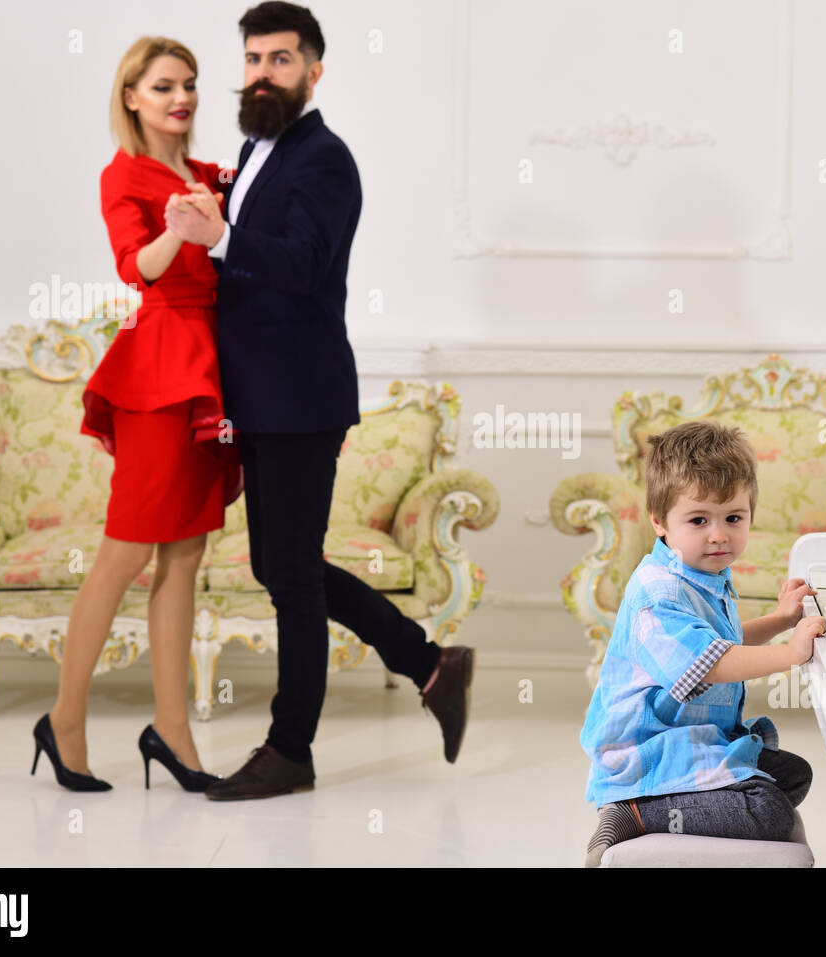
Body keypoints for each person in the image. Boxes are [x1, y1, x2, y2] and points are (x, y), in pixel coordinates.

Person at [164, 2, 473, 801]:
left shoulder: (325, 159)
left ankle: (289, 748)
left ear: (314, 71)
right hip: (262, 396)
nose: (264, 73)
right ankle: (430, 661)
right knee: (280, 563)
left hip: (301, 395)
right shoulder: (256, 147)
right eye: (255, 59)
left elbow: (302, 263)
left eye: (282, 59)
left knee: (292, 575)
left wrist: (220, 239)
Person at [31, 36, 240, 793]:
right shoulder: (124, 175)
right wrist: (174, 234)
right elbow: (137, 267)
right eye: (162, 87)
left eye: (187, 84)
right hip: (161, 367)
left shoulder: (211, 173)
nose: (180, 98)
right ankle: (65, 719)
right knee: (124, 553)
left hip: (212, 359)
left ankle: (173, 730)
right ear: (131, 97)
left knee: (185, 554)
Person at [579, 419, 825, 866]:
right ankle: (632, 812)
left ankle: (687, 806)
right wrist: (791, 654)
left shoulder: (704, 574)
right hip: (648, 751)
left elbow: (722, 641)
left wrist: (780, 620)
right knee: (769, 812)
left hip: (691, 736)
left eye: (733, 518)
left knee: (793, 775)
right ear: (660, 522)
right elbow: (709, 663)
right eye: (699, 520)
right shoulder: (661, 593)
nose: (719, 534)